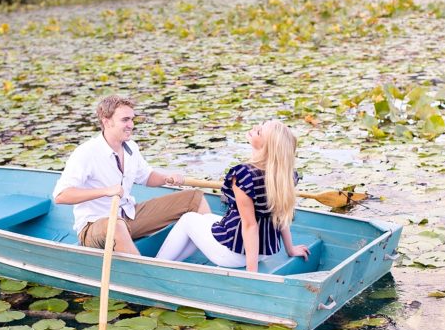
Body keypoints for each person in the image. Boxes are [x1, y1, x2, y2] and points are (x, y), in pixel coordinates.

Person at [53, 94, 210, 254]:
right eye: (125, 120)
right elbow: (61, 196)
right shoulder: (86, 153)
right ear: (106, 121)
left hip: (128, 215)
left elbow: (147, 177)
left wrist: (167, 177)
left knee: (194, 198)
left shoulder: (131, 147)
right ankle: (143, 275)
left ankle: (216, 256)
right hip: (95, 226)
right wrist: (105, 191)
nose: (131, 125)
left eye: (132, 119)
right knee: (116, 225)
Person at [156, 120, 310, 272]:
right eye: (260, 125)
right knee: (207, 218)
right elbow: (281, 215)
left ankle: (155, 265)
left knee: (188, 219)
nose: (255, 126)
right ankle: (170, 265)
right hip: (262, 253)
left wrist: (252, 273)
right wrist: (290, 249)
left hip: (235, 254)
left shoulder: (244, 175)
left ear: (266, 147)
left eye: (259, 131)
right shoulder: (285, 176)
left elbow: (250, 226)